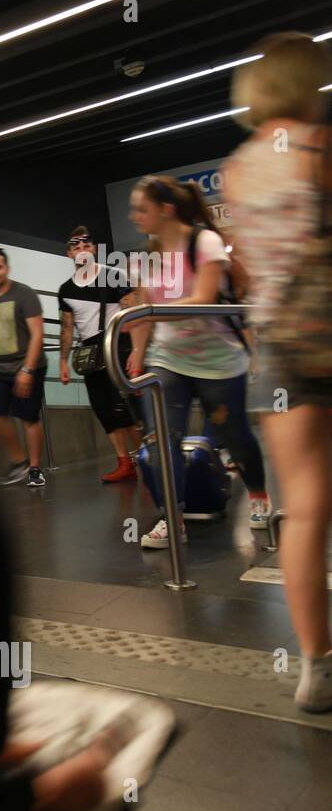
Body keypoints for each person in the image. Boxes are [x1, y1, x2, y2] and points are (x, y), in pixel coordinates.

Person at [224, 31, 332, 712]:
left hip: (276, 347)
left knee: (302, 505)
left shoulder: (236, 169)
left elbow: (247, 270)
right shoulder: (322, 148)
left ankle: (316, 665)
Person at [126, 175, 271, 550]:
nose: (134, 216)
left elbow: (204, 297)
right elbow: (143, 313)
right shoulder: (151, 256)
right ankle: (173, 519)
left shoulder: (204, 241)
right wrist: (138, 350)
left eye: (141, 209)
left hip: (218, 359)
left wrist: (152, 313)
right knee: (161, 438)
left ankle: (259, 496)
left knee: (234, 436)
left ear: (165, 210)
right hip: (168, 358)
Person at [57, 226, 140, 483]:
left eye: (86, 245)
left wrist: (137, 350)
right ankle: (124, 462)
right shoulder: (66, 290)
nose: (82, 249)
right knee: (103, 408)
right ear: (69, 253)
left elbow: (135, 314)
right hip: (91, 352)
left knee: (127, 407)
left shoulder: (114, 276)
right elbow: (67, 327)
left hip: (119, 344)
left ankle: (148, 457)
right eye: (76, 246)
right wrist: (62, 360)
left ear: (94, 249)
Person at [0, 249, 47, 487]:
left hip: (26, 364)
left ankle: (35, 469)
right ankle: (20, 462)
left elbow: (37, 334)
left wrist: (27, 370)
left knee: (28, 419)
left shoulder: (24, 294)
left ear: (7, 269)